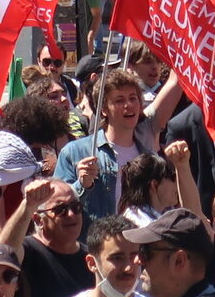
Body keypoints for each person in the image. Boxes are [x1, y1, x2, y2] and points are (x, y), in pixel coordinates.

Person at [0, 176, 95, 297]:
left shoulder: (91, 259)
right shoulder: (28, 250)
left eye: (76, 207)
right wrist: (28, 205)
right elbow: (3, 254)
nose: (71, 214)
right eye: (60, 209)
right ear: (38, 220)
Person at [56, 68, 147, 218]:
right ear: (103, 109)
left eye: (133, 98)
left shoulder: (148, 157)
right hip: (94, 240)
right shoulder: (75, 152)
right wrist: (82, 185)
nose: (128, 105)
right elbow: (55, 206)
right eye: (119, 100)